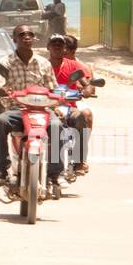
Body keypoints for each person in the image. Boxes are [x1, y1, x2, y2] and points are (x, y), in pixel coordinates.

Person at [0, 25, 65, 195]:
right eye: (22, 35)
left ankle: (55, 173)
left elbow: (54, 88)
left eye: (30, 35)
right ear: (14, 39)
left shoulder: (44, 63)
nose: (27, 38)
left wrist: (58, 101)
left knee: (57, 126)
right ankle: (1, 168)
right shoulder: (5, 63)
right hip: (17, 110)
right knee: (0, 121)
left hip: (42, 111)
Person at [46, 34, 94, 174]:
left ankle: (79, 161)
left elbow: (87, 84)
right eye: (54, 44)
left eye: (60, 44)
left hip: (68, 107)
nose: (57, 47)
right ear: (48, 47)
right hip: (48, 107)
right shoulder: (42, 65)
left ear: (64, 48)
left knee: (80, 117)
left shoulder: (73, 65)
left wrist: (87, 90)